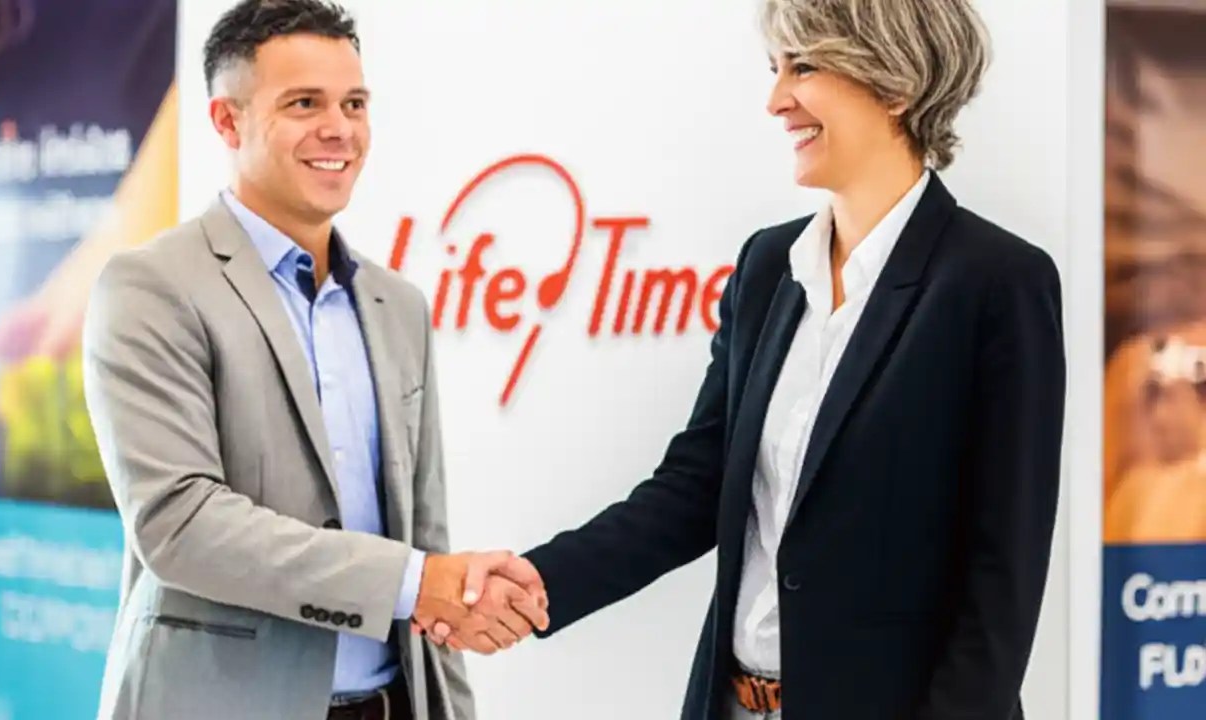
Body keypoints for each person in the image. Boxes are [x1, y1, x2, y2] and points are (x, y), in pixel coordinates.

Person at [425, 1, 1067, 718]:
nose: (775, 101)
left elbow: (1001, 583)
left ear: (896, 84)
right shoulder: (768, 267)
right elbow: (693, 489)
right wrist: (538, 583)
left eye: (805, 66)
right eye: (775, 69)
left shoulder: (996, 283)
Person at [82, 2, 547, 719]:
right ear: (227, 122)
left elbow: (426, 538)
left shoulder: (399, 306)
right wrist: (415, 580)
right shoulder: (151, 286)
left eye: (354, 104)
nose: (340, 129)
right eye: (304, 104)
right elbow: (181, 524)